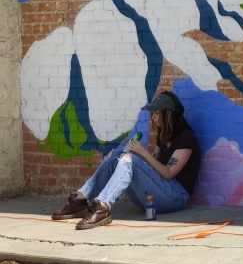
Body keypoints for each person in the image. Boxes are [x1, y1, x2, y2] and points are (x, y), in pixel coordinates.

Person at [51, 91, 202, 230]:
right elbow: (153, 168)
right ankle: (80, 200)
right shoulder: (164, 136)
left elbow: (168, 173)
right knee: (118, 154)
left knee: (129, 159)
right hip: (153, 197)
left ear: (169, 115)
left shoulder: (186, 137)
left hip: (176, 197)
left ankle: (103, 207)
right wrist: (135, 154)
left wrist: (143, 153)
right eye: (153, 114)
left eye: (157, 114)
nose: (154, 118)